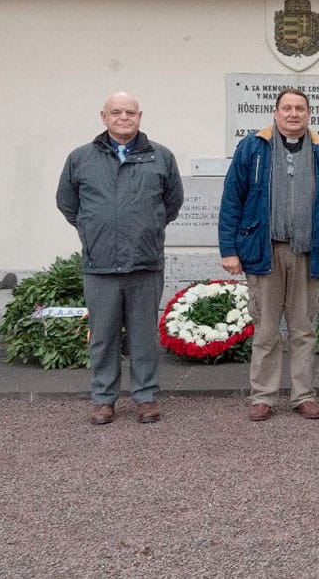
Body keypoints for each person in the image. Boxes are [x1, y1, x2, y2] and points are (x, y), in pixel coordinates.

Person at [219, 87, 319, 422]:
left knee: (303, 329)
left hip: (308, 252)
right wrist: (229, 250)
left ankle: (303, 395)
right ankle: (262, 396)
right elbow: (232, 201)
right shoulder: (253, 148)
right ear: (275, 113)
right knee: (265, 329)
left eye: (300, 109)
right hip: (264, 252)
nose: (294, 114)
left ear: (309, 114)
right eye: (287, 108)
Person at [57, 91, 184, 425]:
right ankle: (103, 399)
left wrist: (147, 227)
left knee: (144, 336)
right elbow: (68, 205)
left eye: (130, 112)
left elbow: (171, 204)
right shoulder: (80, 158)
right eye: (116, 112)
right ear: (103, 116)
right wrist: (93, 228)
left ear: (140, 116)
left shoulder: (161, 157)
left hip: (145, 262)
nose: (123, 117)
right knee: (103, 336)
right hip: (100, 265)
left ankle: (145, 397)